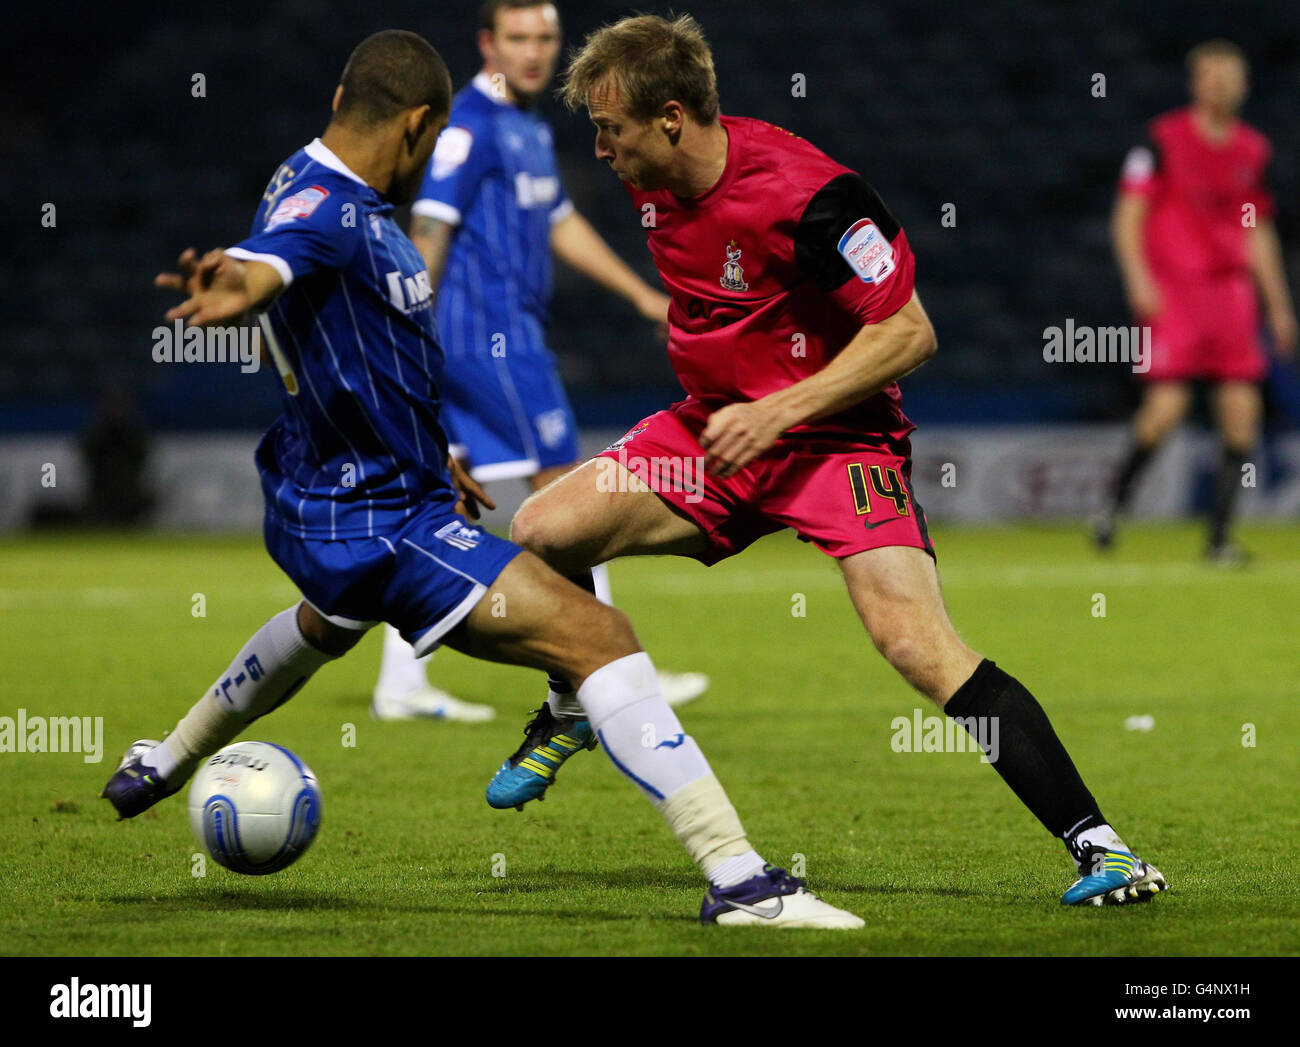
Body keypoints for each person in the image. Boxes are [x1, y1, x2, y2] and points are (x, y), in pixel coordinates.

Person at [99, 29, 861, 929]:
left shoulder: (309, 176)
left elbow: (353, 334)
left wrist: (428, 450)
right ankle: (740, 881)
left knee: (327, 621)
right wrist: (241, 280)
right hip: (381, 520)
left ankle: (170, 754)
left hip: (347, 487)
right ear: (418, 125)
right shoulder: (327, 209)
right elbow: (276, 256)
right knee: (600, 638)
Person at [487, 13, 1167, 907]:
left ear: (673, 117)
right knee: (542, 530)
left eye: (611, 130)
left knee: (919, 647)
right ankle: (575, 697)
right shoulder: (647, 181)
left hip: (834, 444)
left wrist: (784, 408)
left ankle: (1105, 849)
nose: (601, 150)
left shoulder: (814, 199)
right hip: (715, 434)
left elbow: (911, 331)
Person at [371, 0, 707, 724]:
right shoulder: (470, 125)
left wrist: (643, 299)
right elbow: (429, 226)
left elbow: (560, 222)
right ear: (489, 44)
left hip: (498, 336)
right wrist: (407, 329)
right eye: (518, 38)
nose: (534, 52)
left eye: (546, 38)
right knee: (570, 493)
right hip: (484, 337)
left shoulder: (525, 127)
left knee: (447, 496)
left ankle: (399, 680)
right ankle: (616, 668)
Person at [1097, 39, 1296, 563]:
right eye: (1213, 76)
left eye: (1232, 76)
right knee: (1165, 410)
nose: (1223, 85)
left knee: (1241, 414)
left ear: (1245, 85)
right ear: (1196, 83)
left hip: (1232, 296)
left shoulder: (1253, 151)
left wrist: (1278, 305)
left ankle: (1219, 539)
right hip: (1177, 293)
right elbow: (1128, 216)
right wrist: (1138, 278)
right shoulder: (1161, 141)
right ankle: (1112, 506)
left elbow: (1257, 231)